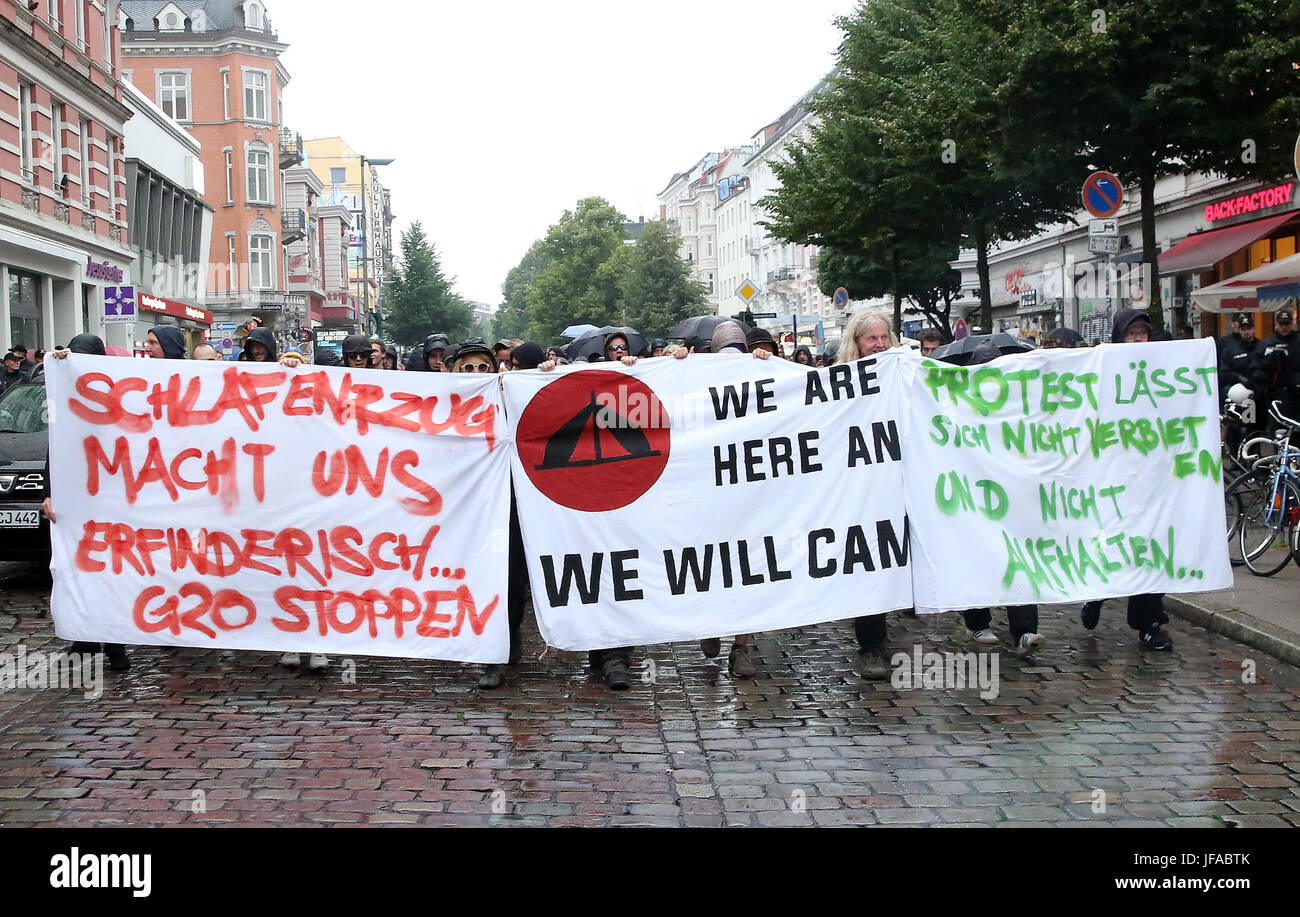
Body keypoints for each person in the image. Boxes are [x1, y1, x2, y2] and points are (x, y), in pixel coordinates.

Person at [673, 321, 772, 677]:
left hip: (751, 494)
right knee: (713, 566)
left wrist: (767, 361)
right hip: (709, 495)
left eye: (739, 352)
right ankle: (710, 626)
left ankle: (740, 648)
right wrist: (677, 363)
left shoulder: (761, 373)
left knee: (751, 571)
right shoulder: (697, 379)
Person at [1079, 308, 1173, 651]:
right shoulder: (1101, 369)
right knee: (1111, 544)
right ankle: (1096, 595)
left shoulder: (1162, 370)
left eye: (1143, 334)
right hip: (1113, 478)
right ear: (1119, 337)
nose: (1138, 339)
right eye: (1132, 334)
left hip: (1152, 480)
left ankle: (1148, 624)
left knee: (1149, 549)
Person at [45, 334, 131, 671]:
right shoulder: (63, 399)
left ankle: (114, 644)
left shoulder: (120, 395)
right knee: (77, 570)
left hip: (111, 500)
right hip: (76, 501)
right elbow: (55, 448)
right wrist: (49, 492)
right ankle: (83, 641)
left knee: (111, 573)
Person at [835, 310, 902, 678]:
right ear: (856, 343)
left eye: (883, 338)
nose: (878, 345)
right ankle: (871, 646)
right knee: (869, 561)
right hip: (860, 491)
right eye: (870, 339)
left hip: (900, 483)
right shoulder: (837, 382)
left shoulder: (904, 372)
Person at [1260, 309, 1299, 420]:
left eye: (1287, 324)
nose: (1284, 327)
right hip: (1277, 393)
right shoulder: (1267, 344)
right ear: (1276, 324)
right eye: (1281, 324)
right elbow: (1260, 368)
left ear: (1292, 324)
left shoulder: (1298, 342)